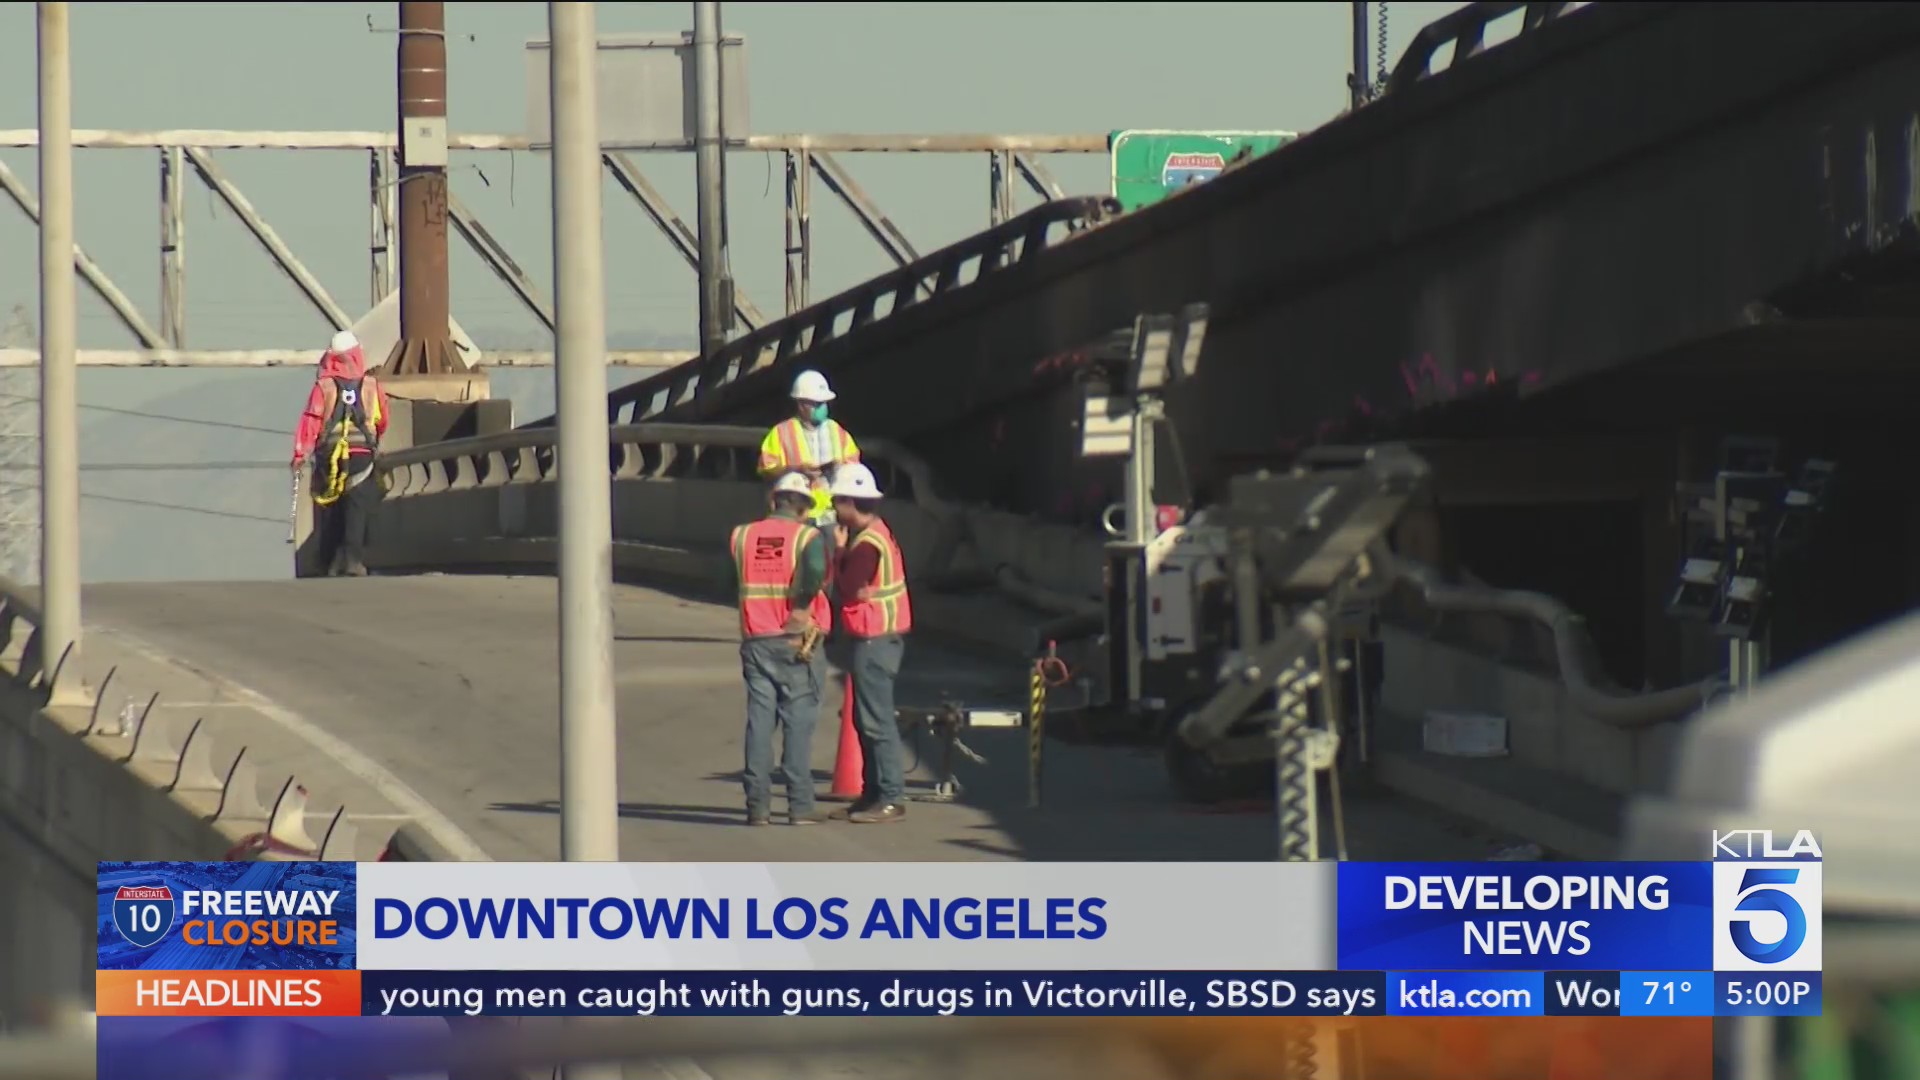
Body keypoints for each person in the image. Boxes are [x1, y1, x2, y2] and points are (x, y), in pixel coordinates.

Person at [730, 471, 833, 827]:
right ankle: (799, 806)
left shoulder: (742, 535)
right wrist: (802, 608)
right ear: (804, 506)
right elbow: (818, 568)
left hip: (755, 639)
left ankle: (757, 807)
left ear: (774, 500)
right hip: (795, 640)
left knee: (759, 722)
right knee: (798, 722)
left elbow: (727, 577)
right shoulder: (808, 537)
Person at [824, 462, 912, 824]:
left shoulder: (863, 547)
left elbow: (845, 588)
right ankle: (872, 794)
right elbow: (852, 588)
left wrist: (839, 553)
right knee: (864, 719)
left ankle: (890, 796)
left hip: (876, 640)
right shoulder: (875, 533)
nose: (833, 509)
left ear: (850, 502)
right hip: (874, 637)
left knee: (876, 721)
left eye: (836, 502)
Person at [292, 330, 390, 577]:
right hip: (361, 454)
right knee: (357, 506)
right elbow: (382, 421)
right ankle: (353, 560)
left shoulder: (323, 387)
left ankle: (331, 560)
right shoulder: (371, 386)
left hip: (330, 454)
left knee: (332, 505)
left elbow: (311, 421)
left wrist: (300, 454)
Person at [756, 369, 860, 544]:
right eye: (816, 404)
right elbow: (766, 470)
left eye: (823, 403)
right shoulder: (781, 433)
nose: (821, 408)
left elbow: (854, 464)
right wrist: (795, 469)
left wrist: (839, 467)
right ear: (801, 404)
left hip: (830, 514)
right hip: (796, 513)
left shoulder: (837, 431)